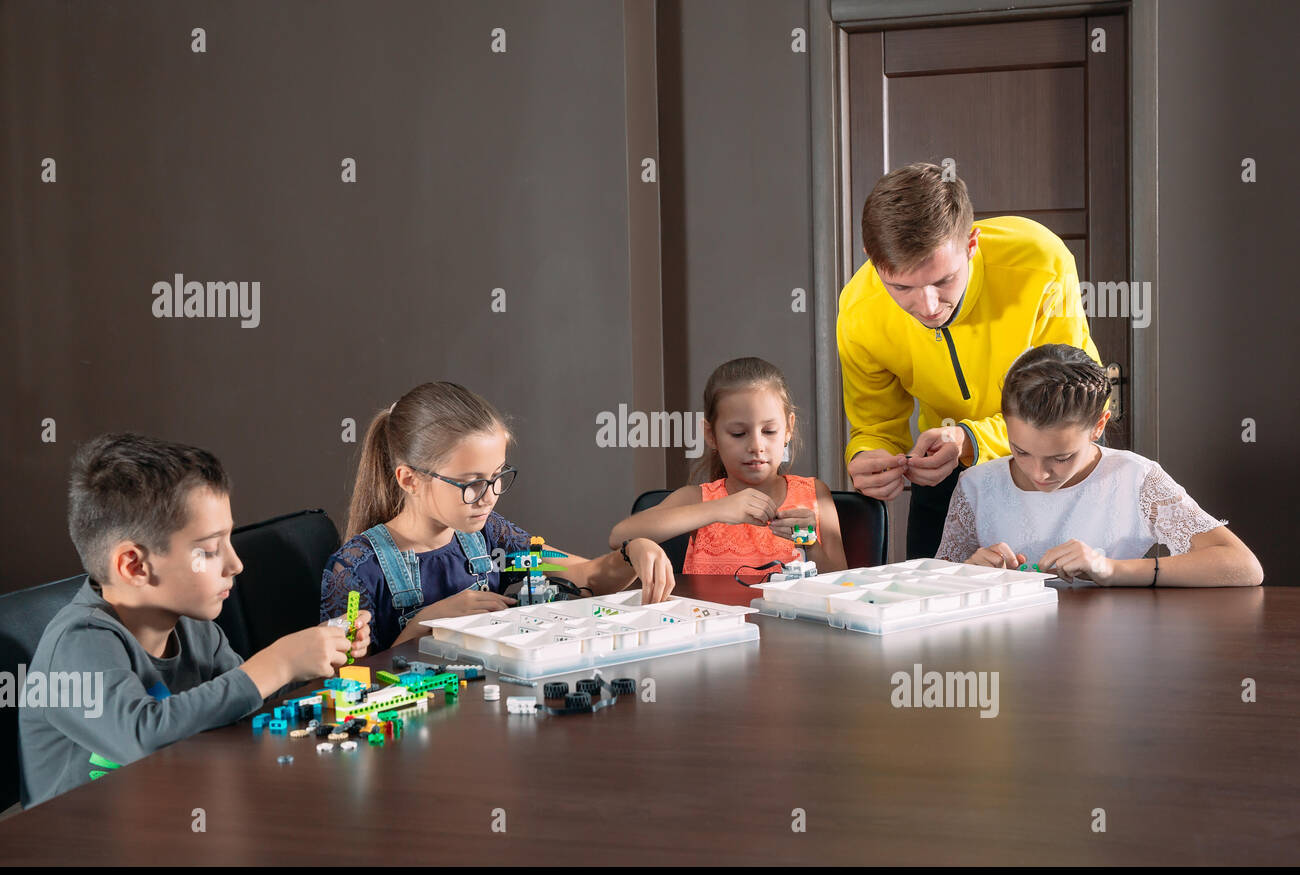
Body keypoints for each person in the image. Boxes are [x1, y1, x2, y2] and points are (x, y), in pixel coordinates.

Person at [19, 434, 370, 807]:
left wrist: (315, 658)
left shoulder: (196, 630)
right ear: (134, 566)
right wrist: (278, 663)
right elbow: (144, 737)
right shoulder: (77, 645)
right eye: (210, 549)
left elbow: (242, 702)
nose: (236, 564)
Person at [839, 162, 1102, 557]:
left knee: (1070, 594)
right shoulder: (859, 311)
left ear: (971, 244)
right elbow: (875, 426)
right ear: (872, 261)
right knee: (930, 595)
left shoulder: (1040, 260)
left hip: (1053, 457)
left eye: (943, 280)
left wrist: (971, 439)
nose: (928, 306)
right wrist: (867, 456)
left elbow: (1071, 401)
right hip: (944, 468)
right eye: (901, 287)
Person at [321, 382, 676, 650]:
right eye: (471, 483)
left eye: (497, 477)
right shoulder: (354, 570)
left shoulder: (493, 539)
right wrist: (426, 622)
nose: (489, 497)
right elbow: (343, 682)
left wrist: (633, 552)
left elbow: (586, 575)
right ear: (410, 480)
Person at [935, 345, 1263, 586]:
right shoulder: (976, 485)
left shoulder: (1135, 479)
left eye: (1061, 457)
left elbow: (1244, 566)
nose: (1038, 473)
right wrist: (968, 573)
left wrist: (1110, 569)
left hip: (1112, 645)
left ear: (1099, 426)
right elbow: (934, 585)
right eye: (1021, 451)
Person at [611, 357, 846, 579]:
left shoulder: (814, 494)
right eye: (738, 433)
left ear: (788, 429)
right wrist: (718, 509)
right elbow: (619, 536)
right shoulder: (698, 499)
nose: (756, 446)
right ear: (711, 435)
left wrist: (810, 543)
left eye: (769, 431)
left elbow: (841, 582)